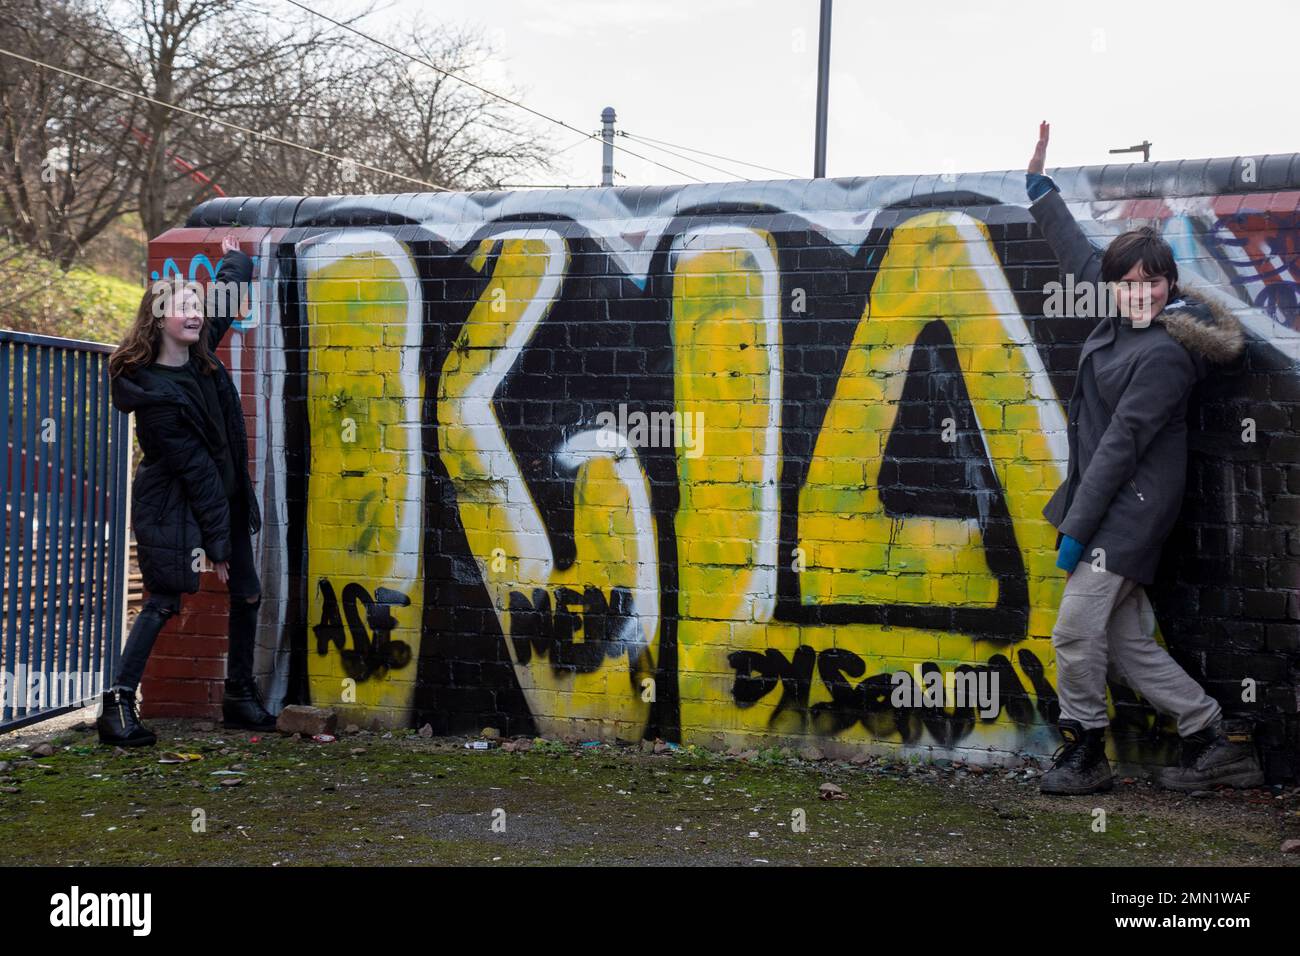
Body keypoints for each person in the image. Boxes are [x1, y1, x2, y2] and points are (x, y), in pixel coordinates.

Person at [1026, 122, 1263, 795]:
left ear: (1168, 286)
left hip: (1128, 512)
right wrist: (1040, 187)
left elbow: (1120, 447)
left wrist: (1076, 536)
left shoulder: (1161, 354)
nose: (1140, 292)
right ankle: (1216, 739)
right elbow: (1079, 259)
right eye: (1129, 282)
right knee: (1126, 643)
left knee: (1075, 631)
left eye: (1152, 282)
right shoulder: (1123, 320)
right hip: (1111, 505)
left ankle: (1084, 751)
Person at [100, 235, 274, 746]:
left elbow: (223, 294)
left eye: (197, 306)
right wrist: (216, 543)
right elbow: (195, 472)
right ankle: (116, 706)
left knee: (247, 593)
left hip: (223, 497)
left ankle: (239, 697)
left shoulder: (200, 358)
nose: (195, 314)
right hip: (174, 504)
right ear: (158, 318)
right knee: (164, 600)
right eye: (183, 308)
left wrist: (236, 258)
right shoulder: (153, 394)